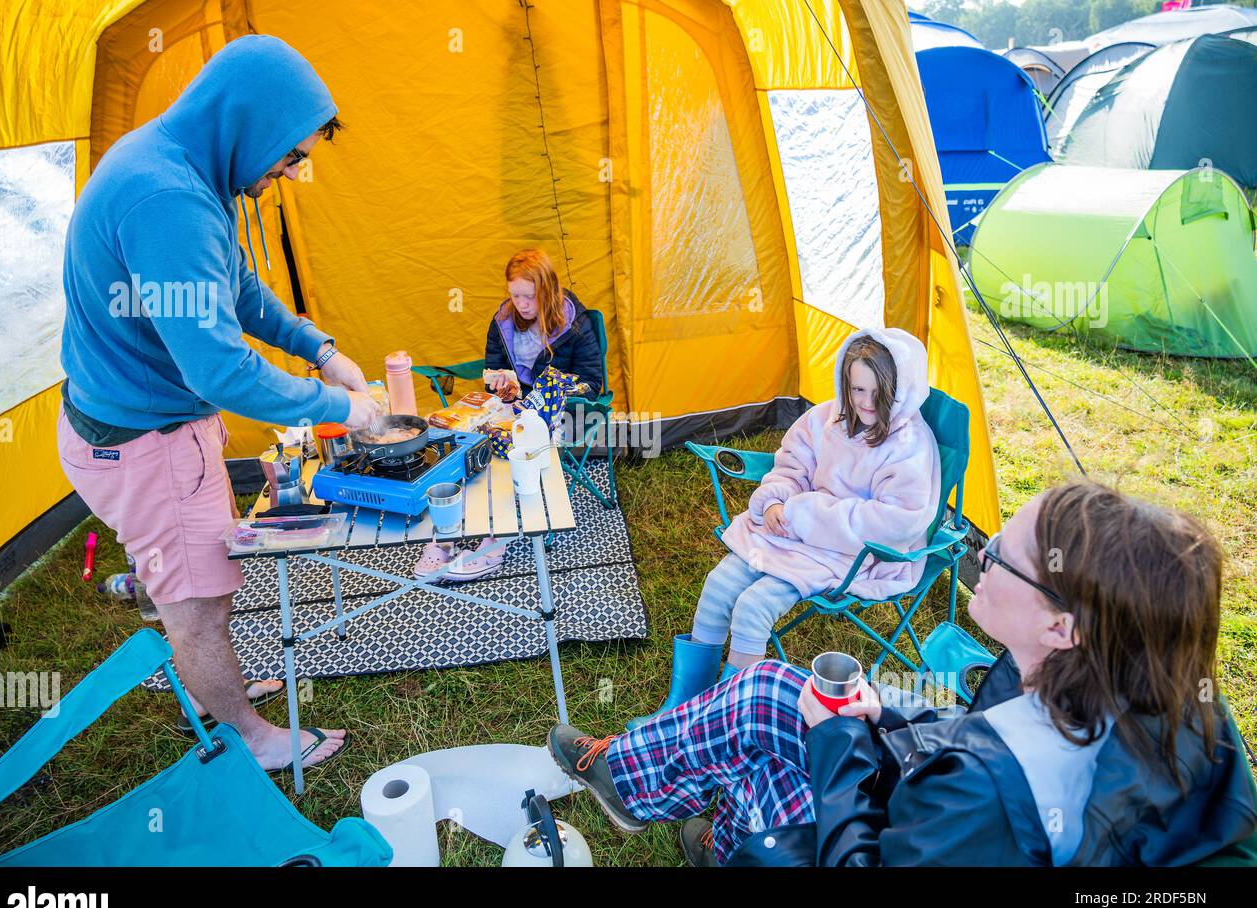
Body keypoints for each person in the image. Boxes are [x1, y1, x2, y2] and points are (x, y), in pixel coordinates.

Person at [549, 481, 1257, 866]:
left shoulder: (992, 793)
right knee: (773, 695)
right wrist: (888, 717)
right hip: (948, 811)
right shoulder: (1158, 687)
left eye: (995, 555)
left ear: (1061, 625)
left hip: (924, 834)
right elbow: (971, 736)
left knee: (778, 763)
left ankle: (724, 835)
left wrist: (837, 745)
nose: (973, 559)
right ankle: (642, 788)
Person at [56, 36, 381, 773]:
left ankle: (212, 697)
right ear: (250, 123)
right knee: (198, 602)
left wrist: (318, 345)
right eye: (291, 155)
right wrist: (342, 406)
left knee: (202, 580)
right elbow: (221, 372)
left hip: (143, 426)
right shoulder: (169, 201)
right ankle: (246, 737)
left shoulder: (184, 163)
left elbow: (235, 290)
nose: (292, 173)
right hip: (147, 442)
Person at [629, 328, 941, 728]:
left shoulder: (909, 446)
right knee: (719, 584)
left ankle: (725, 722)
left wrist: (805, 514)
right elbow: (792, 465)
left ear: (899, 391)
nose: (864, 403)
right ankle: (683, 704)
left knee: (753, 608)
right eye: (856, 390)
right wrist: (776, 499)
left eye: (876, 394)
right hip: (792, 532)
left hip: (849, 553)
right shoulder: (826, 418)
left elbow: (893, 522)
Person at [415, 248, 603, 580]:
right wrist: (501, 383)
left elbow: (593, 383)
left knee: (518, 453)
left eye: (529, 296)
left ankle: (493, 545)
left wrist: (554, 389)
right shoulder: (503, 320)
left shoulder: (575, 323)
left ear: (548, 290)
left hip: (555, 409)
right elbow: (492, 373)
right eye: (515, 295)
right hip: (511, 404)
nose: (522, 304)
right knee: (464, 441)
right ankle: (444, 538)